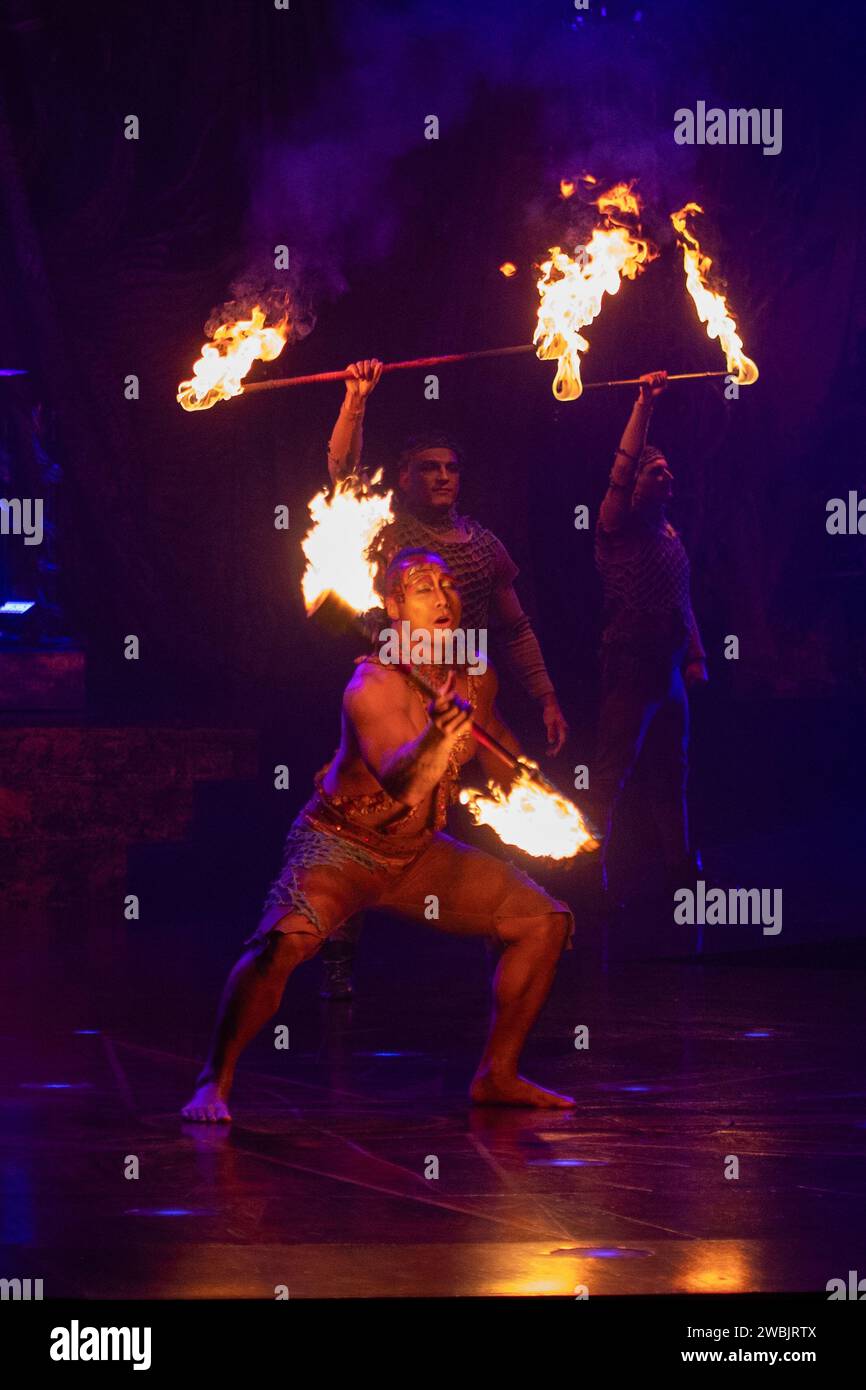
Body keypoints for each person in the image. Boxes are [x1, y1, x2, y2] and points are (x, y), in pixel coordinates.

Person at [181, 549, 579, 1123]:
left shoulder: (473, 673)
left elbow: (492, 739)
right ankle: (213, 1080)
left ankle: (497, 1075)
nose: (442, 597)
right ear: (393, 607)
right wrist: (438, 736)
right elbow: (406, 786)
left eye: (448, 584)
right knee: (279, 948)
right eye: (423, 587)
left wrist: (538, 797)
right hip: (340, 849)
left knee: (544, 921)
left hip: (416, 857)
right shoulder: (371, 686)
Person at [320, 358, 568, 996]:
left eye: (451, 468)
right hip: (399, 681)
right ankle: (338, 950)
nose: (442, 477)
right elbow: (343, 478)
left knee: (504, 798)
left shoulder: (484, 546)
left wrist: (545, 695)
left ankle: (514, 931)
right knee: (367, 816)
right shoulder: (387, 533)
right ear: (404, 476)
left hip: (469, 685)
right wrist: (356, 400)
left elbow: (515, 628)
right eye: (428, 467)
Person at [590, 370, 708, 897]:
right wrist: (644, 405)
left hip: (669, 670)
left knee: (672, 768)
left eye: (668, 471)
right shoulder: (618, 526)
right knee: (611, 773)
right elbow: (619, 472)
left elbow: (683, 597)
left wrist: (696, 655)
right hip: (631, 667)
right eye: (655, 472)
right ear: (635, 484)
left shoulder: (669, 531)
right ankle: (589, 869)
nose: (667, 478)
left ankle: (680, 866)